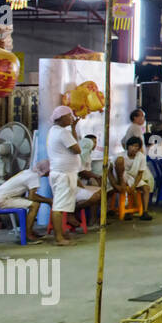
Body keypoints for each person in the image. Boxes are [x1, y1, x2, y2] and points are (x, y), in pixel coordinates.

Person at [46, 105, 102, 245]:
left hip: (63, 173)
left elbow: (74, 144)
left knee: (62, 204)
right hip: (63, 174)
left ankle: (62, 233)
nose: (72, 118)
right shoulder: (62, 133)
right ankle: (59, 238)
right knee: (59, 207)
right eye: (70, 116)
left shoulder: (55, 130)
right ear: (62, 117)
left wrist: (73, 128)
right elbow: (77, 149)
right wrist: (72, 131)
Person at [110, 136, 154, 221]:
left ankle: (144, 212)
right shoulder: (120, 155)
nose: (134, 148)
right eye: (132, 146)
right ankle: (128, 210)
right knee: (119, 161)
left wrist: (134, 185)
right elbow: (109, 171)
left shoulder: (141, 157)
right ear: (128, 146)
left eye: (137, 146)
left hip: (133, 178)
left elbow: (140, 174)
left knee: (146, 188)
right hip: (120, 178)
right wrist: (115, 184)